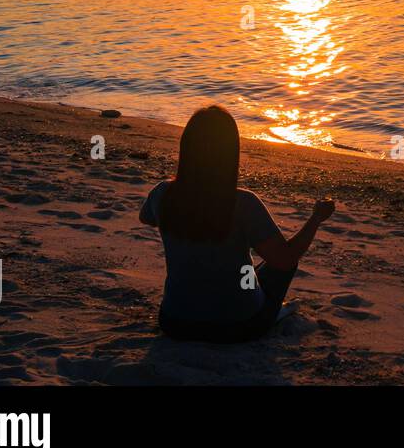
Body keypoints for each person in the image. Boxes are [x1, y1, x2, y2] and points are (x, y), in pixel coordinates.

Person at [139, 105, 335, 342]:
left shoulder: (162, 193)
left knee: (250, 271)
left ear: (186, 148)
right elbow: (284, 260)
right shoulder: (242, 202)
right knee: (283, 264)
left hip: (175, 322)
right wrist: (315, 219)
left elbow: (146, 218)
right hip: (237, 325)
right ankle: (273, 312)